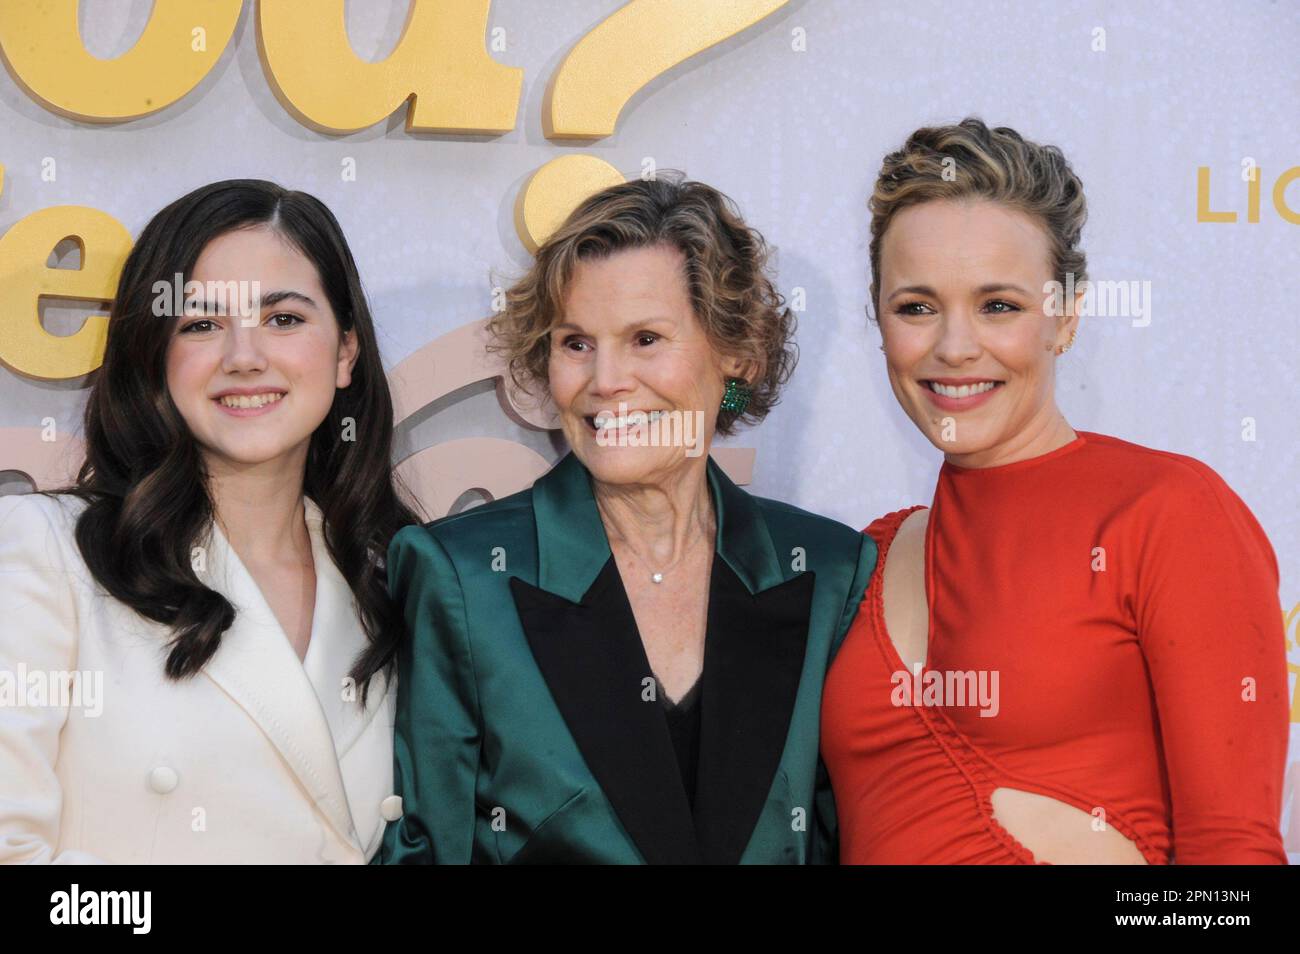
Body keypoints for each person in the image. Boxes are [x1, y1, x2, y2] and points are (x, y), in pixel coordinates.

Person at [821, 119, 1290, 864]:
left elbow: (1231, 858)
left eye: (998, 305)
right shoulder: (865, 558)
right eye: (916, 306)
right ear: (879, 322)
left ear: (1065, 317)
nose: (954, 346)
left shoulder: (1166, 513)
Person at [378, 174, 876, 864]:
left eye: (645, 338)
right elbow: (428, 851)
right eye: (576, 343)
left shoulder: (829, 571)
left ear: (735, 353)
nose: (605, 380)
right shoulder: (461, 578)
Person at [0, 180, 417, 863]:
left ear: (345, 353)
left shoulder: (391, 581)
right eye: (200, 324)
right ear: (155, 358)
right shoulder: (48, 553)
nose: (244, 356)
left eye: (283, 319)